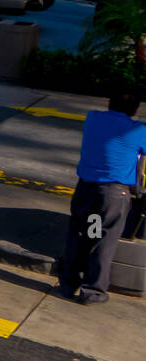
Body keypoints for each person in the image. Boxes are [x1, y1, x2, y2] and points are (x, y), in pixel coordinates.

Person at [58, 87, 146, 303]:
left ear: (109, 104)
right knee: (103, 240)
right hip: (113, 195)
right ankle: (93, 290)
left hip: (86, 190)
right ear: (135, 110)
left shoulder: (93, 118)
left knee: (85, 233)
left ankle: (68, 282)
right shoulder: (138, 130)